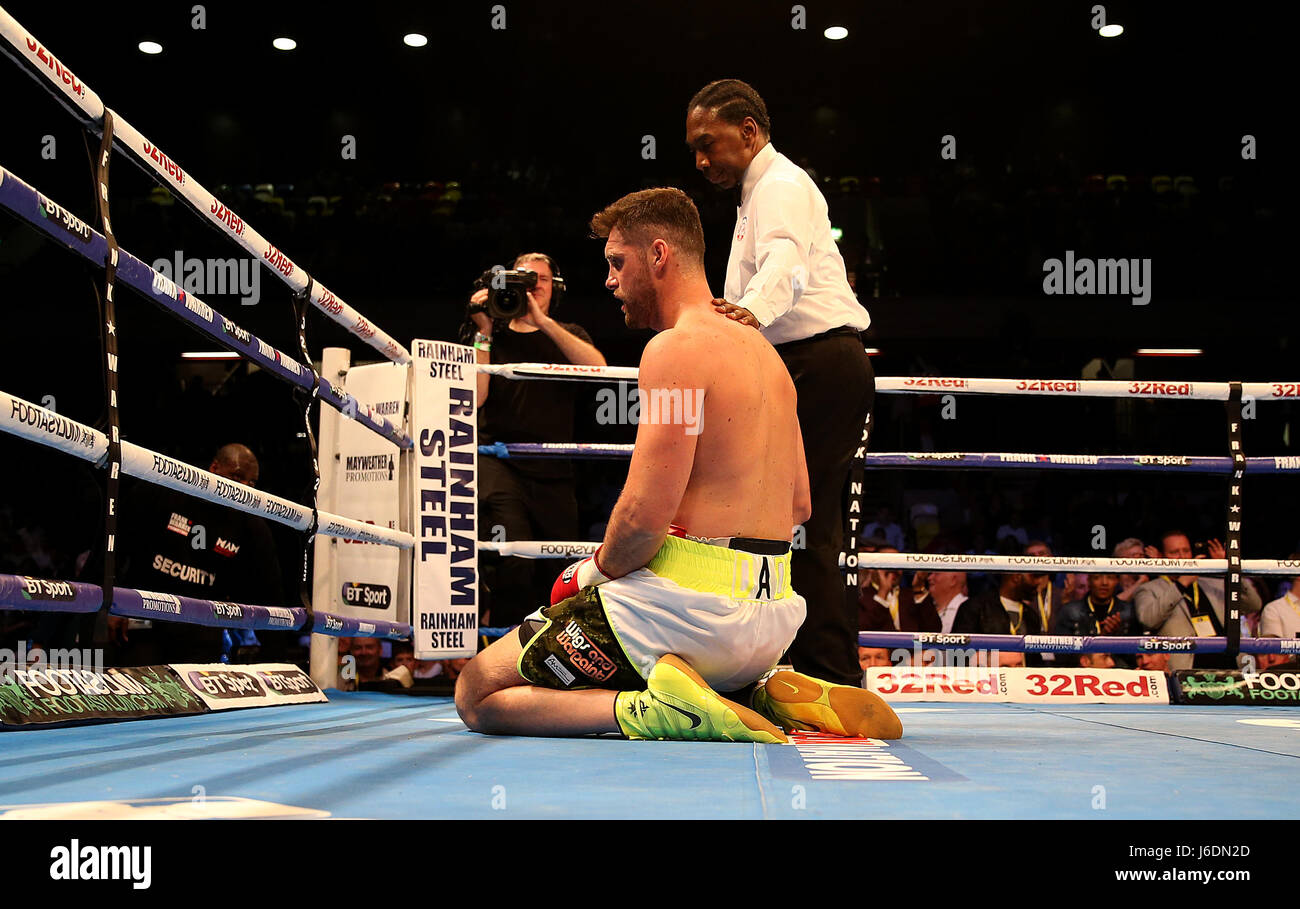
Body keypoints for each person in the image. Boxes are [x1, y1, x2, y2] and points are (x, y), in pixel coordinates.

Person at [454, 187, 901, 743]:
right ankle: (760, 692)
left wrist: (586, 574)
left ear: (659, 254)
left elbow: (643, 518)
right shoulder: (771, 359)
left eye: (618, 262)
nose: (610, 281)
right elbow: (801, 505)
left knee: (478, 692)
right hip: (772, 622)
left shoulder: (673, 350)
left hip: (688, 616)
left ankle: (660, 711)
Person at [686, 79, 873, 689]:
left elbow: (786, 266)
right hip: (795, 364)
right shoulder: (757, 194)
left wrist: (746, 319)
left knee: (809, 518)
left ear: (748, 131)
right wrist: (732, 313)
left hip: (818, 364)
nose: (701, 160)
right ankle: (799, 667)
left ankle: (831, 675)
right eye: (694, 149)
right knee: (779, 515)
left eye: (708, 143)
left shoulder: (782, 185)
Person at [469, 253, 607, 627]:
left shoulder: (569, 335)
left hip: (554, 469)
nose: (532, 286)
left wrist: (542, 322)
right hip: (501, 462)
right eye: (523, 279)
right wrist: (482, 332)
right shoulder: (489, 335)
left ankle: (549, 658)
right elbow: (474, 397)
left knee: (559, 566)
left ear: (554, 287)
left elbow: (599, 371)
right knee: (512, 559)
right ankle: (501, 652)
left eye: (540, 280)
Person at [104, 443, 284, 665]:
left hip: (201, 627)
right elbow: (119, 543)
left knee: (196, 693)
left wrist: (275, 659)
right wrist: (113, 603)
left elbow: (270, 591)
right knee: (141, 686)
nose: (244, 488)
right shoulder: (168, 490)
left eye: (252, 482)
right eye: (237, 477)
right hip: (147, 614)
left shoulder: (253, 527)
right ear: (214, 468)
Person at [1132, 531, 1262, 670]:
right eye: (1175, 552)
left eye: (1186, 551)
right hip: (1186, 672)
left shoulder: (1212, 582)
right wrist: (1181, 584)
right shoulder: (1148, 589)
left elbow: (1254, 605)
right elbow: (1148, 620)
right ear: (1162, 556)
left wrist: (1231, 571)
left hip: (1230, 667)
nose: (1182, 557)